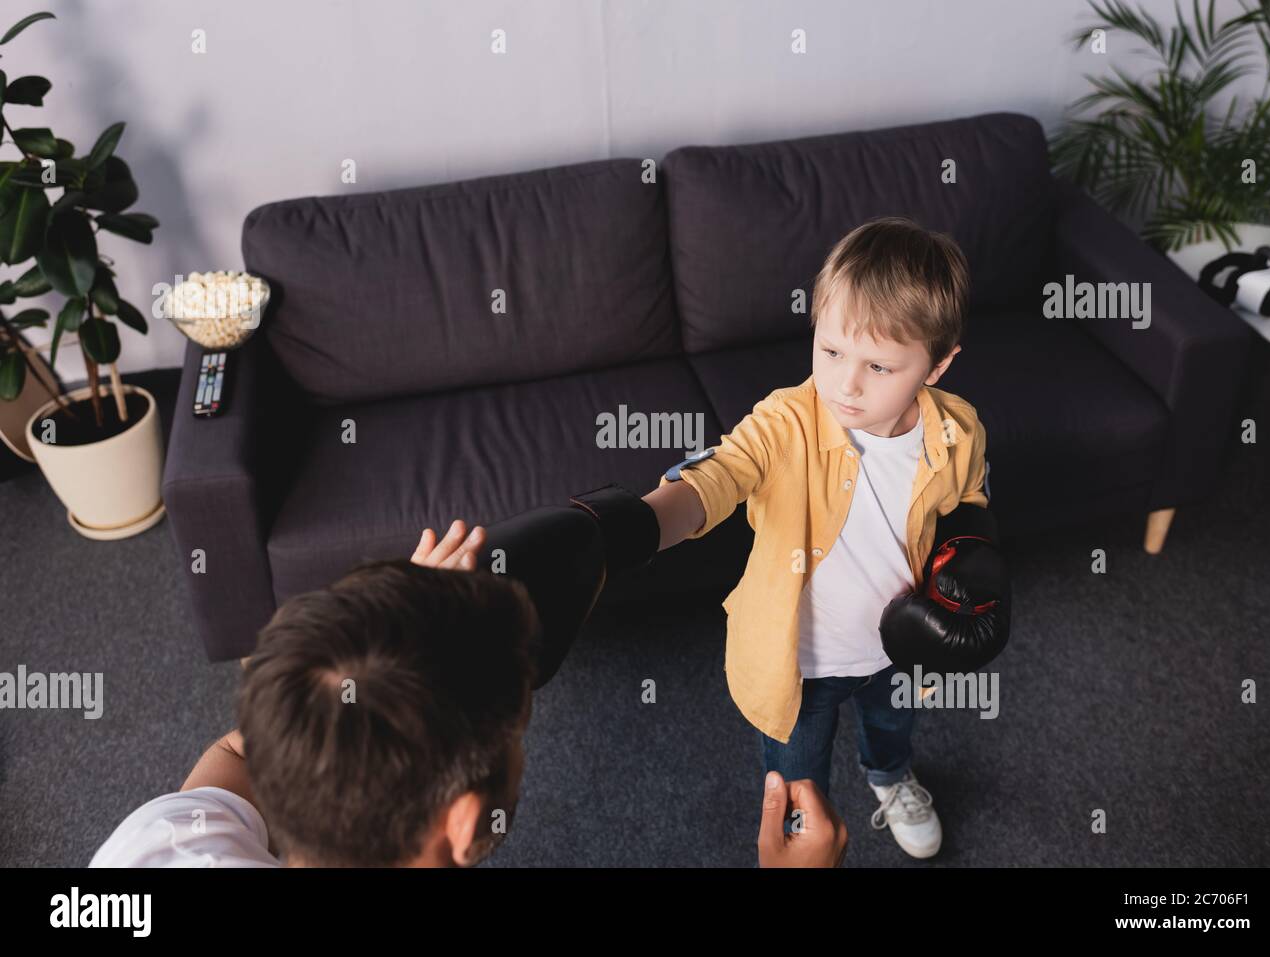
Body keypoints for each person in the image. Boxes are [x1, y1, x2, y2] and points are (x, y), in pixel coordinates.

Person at [90, 519, 848, 867]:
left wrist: (397, 628)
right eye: (519, 723)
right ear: (462, 822)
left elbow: (241, 750)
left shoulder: (161, 852)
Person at [641, 216, 998, 860]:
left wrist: (975, 555)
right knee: (798, 782)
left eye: (879, 365)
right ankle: (801, 836)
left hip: (899, 647)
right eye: (831, 351)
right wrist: (634, 526)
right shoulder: (787, 421)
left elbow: (969, 496)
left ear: (938, 365)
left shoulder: (959, 429)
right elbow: (718, 475)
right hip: (802, 665)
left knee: (892, 729)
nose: (846, 384)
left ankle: (890, 778)